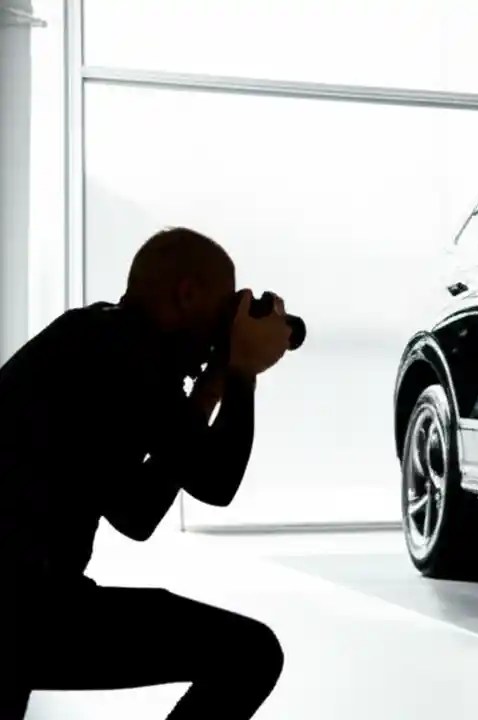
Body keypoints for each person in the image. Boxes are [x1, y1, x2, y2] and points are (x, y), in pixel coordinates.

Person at [0, 227, 294, 719]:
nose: (215, 342)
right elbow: (217, 483)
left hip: (26, 607)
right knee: (250, 653)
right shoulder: (126, 348)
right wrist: (243, 371)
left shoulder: (95, 340)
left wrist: (208, 391)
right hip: (26, 608)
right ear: (187, 294)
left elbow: (137, 512)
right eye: (223, 315)